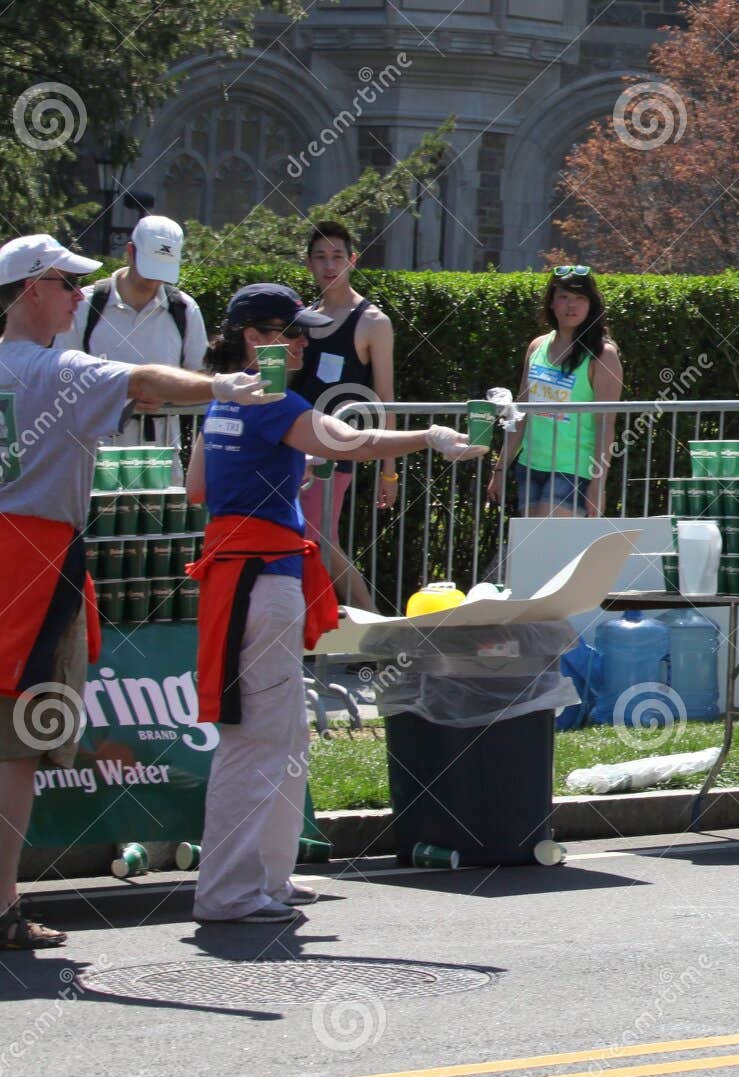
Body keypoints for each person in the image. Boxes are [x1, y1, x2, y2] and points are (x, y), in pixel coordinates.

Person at [0, 234, 274, 950]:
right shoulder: (54, 369)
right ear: (32, 288)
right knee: (15, 748)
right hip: (33, 561)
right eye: (66, 283)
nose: (77, 296)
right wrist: (219, 385)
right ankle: (1, 907)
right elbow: (145, 380)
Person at [185, 283, 486, 924]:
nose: (301, 342)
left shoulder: (224, 400)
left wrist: (282, 472)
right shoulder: (270, 397)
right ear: (254, 337)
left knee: (280, 735)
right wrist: (428, 437)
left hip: (246, 577)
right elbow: (346, 442)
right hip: (262, 579)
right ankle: (230, 893)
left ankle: (267, 882)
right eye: (290, 332)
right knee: (257, 741)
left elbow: (199, 488)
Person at [289, 221, 397, 611]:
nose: (329, 265)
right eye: (320, 257)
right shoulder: (300, 317)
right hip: (292, 451)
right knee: (302, 539)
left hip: (335, 452)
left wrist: (390, 472)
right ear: (308, 263)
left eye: (337, 256)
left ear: (352, 260)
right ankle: (316, 631)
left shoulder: (373, 321)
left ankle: (369, 628)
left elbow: (386, 398)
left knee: (318, 537)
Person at [52, 215, 209, 447]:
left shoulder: (184, 309)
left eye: (162, 269)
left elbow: (202, 381)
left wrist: (167, 396)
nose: (154, 279)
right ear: (130, 251)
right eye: (150, 267)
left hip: (160, 452)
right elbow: (61, 377)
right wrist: (119, 394)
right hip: (94, 449)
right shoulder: (85, 305)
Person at [490, 266, 622, 519]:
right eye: (564, 297)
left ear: (591, 304)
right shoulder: (537, 347)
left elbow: (606, 424)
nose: (571, 306)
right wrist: (499, 468)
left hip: (573, 469)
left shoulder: (603, 355)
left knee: (550, 547)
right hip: (530, 465)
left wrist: (598, 485)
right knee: (534, 549)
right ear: (551, 302)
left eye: (580, 298)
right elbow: (520, 414)